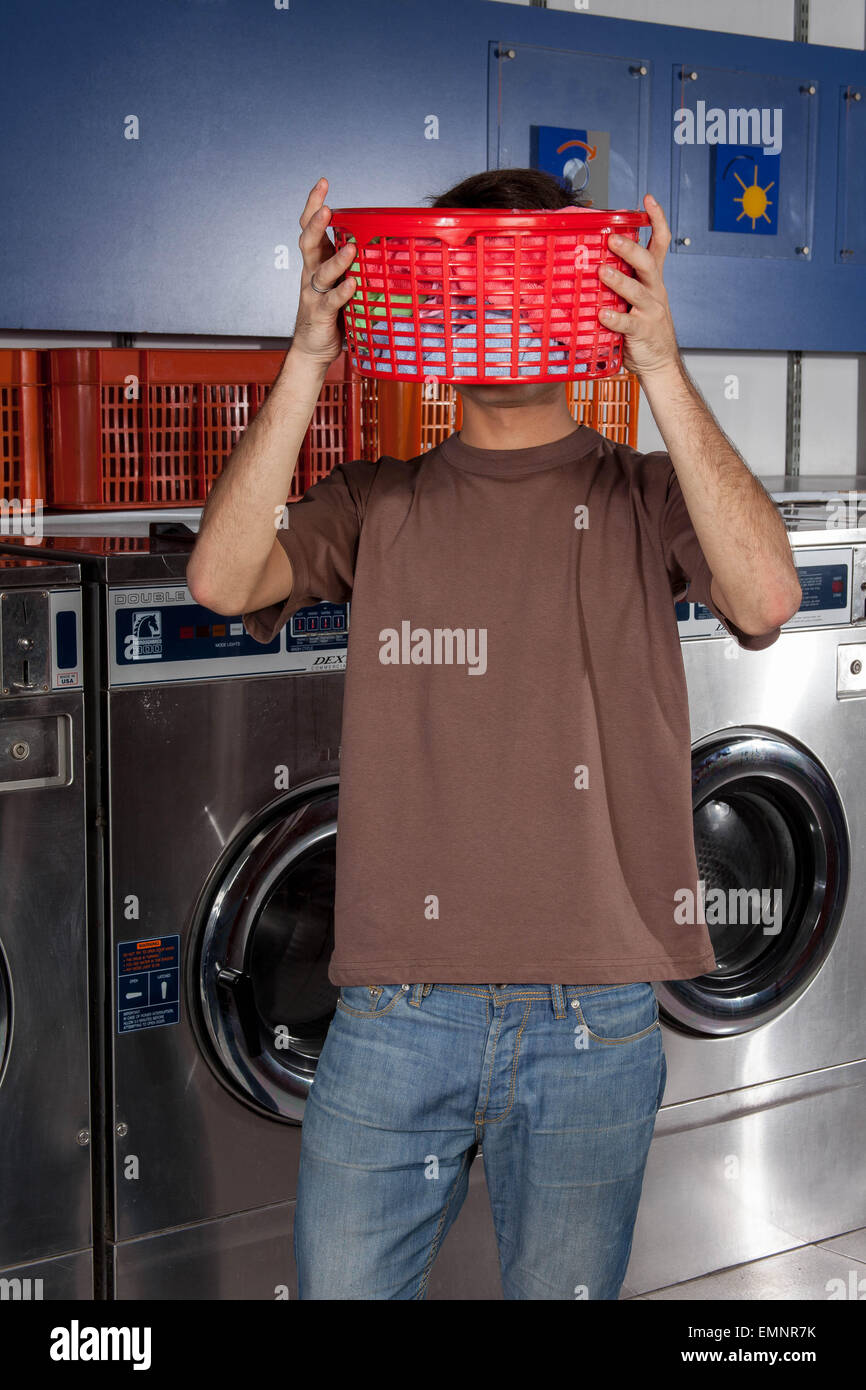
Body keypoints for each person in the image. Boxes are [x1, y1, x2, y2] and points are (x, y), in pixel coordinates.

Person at [186, 169, 802, 1300]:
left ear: (584, 312)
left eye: (534, 286)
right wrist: (310, 356)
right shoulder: (376, 499)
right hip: (392, 1013)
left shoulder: (643, 495)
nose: (506, 314)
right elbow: (222, 579)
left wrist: (660, 363)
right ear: (438, 309)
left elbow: (764, 595)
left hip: (594, 1020)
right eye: (478, 286)